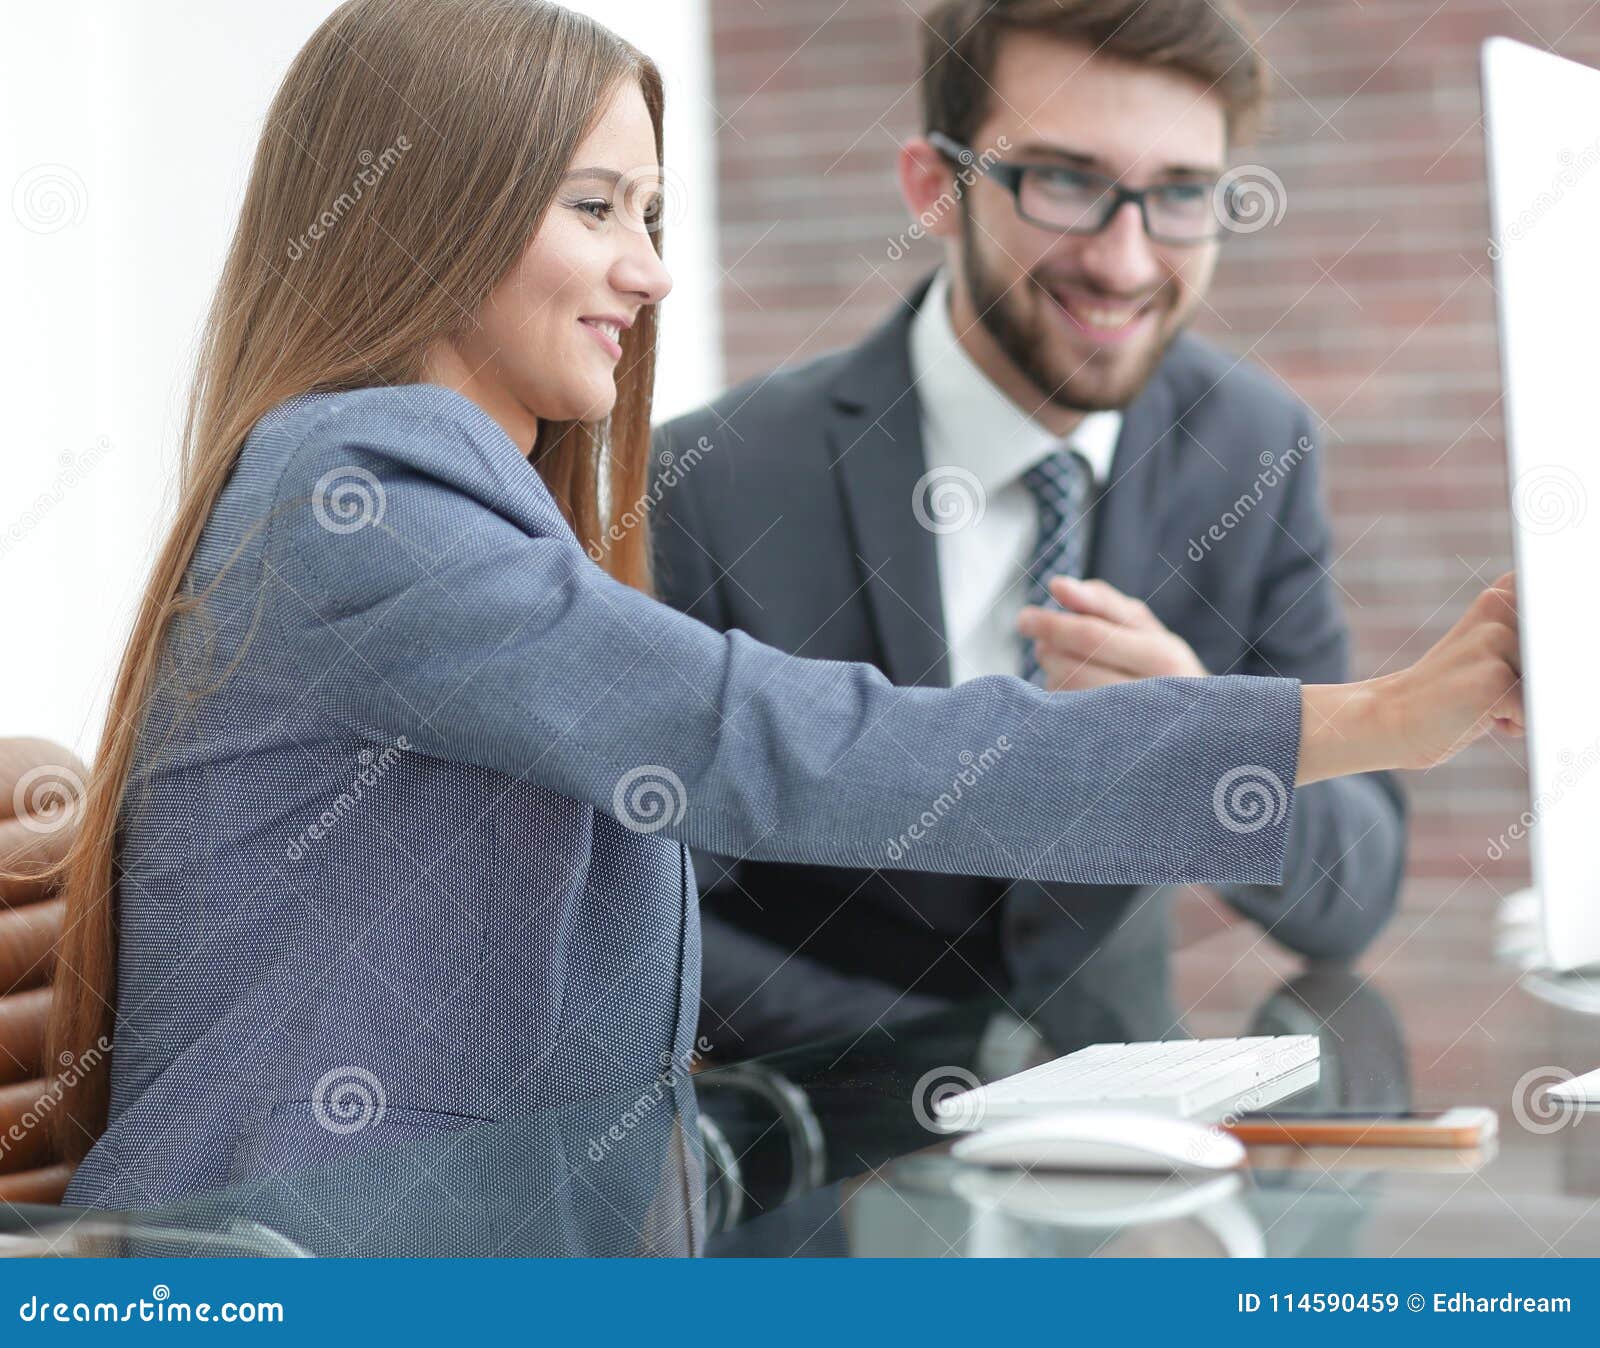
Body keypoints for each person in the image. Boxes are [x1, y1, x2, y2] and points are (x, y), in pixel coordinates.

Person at [29, 0, 1517, 1210]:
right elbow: (779, 745)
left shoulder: (449, 498)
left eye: (652, 210)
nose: (651, 269)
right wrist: (1381, 717)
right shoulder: (364, 498)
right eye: (597, 207)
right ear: (431, 211)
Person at [653, 0, 1410, 1054]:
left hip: (1127, 1135)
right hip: (821, 1127)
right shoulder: (714, 477)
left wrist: (1207, 739)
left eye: (1180, 194)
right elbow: (644, 913)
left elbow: (1355, 890)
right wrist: (950, 1069)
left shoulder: (1251, 447)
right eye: (1064, 181)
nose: (1125, 263)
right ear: (934, 187)